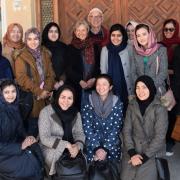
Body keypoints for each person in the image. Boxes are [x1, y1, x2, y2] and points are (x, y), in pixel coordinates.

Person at [121, 75, 168, 180]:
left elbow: (160, 137)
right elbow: (126, 130)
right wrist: (132, 153)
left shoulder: (160, 107)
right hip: (132, 150)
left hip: (151, 153)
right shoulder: (132, 105)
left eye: (144, 87)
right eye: (137, 87)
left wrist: (144, 157)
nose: (140, 91)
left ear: (150, 88)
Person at [14, 27, 55, 137]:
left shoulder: (45, 54)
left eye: (36, 38)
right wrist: (38, 91)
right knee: (32, 131)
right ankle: (32, 153)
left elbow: (51, 74)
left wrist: (45, 90)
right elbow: (21, 78)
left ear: (40, 39)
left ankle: (46, 152)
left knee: (47, 130)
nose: (33, 42)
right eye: (29, 39)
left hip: (45, 99)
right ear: (26, 40)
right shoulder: (21, 57)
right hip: (32, 100)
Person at [0, 79, 43, 180]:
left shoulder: (14, 107)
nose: (11, 95)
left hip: (15, 145)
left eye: (13, 91)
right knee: (27, 166)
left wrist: (27, 137)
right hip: (3, 154)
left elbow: (20, 128)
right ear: (1, 94)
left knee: (35, 149)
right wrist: (20, 146)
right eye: (6, 92)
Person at [38, 85, 85, 177]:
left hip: (72, 146)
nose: (66, 101)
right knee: (55, 158)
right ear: (58, 96)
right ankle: (54, 176)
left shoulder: (76, 113)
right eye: (63, 97)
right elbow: (44, 138)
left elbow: (79, 133)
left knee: (82, 159)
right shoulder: (46, 112)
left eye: (69, 98)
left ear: (73, 99)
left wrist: (78, 146)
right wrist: (65, 145)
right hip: (50, 146)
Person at [81, 74, 123, 162]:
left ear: (110, 87)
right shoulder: (88, 101)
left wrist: (105, 149)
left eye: (104, 84)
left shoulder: (117, 102)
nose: (101, 87)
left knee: (112, 170)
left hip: (111, 143)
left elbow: (116, 128)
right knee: (94, 171)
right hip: (92, 142)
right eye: (98, 84)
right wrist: (97, 148)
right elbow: (86, 126)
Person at [66, 20, 100, 110]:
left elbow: (98, 66)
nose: (80, 33)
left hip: (92, 86)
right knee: (77, 112)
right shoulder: (70, 48)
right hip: (76, 86)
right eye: (78, 30)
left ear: (87, 31)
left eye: (83, 30)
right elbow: (68, 69)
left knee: (92, 112)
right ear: (75, 32)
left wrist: (93, 79)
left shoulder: (95, 46)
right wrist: (80, 81)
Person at [100, 23, 133, 112]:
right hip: (111, 87)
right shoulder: (105, 49)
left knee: (127, 110)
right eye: (113, 35)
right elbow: (103, 71)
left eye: (119, 35)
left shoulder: (129, 48)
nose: (116, 38)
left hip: (126, 86)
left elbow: (133, 69)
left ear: (123, 36)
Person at [132, 23, 168, 96]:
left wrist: (149, 86)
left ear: (150, 34)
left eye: (144, 34)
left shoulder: (161, 50)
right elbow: (133, 72)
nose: (141, 38)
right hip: (140, 93)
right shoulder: (135, 51)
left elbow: (163, 73)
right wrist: (140, 87)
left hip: (157, 90)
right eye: (138, 35)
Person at [161, 19, 180, 156]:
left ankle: (169, 142)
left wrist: (169, 71)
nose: (168, 32)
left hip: (176, 85)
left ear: (176, 30)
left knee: (172, 114)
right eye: (166, 29)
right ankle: (162, 140)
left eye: (171, 29)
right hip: (162, 85)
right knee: (162, 114)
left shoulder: (178, 45)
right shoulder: (159, 45)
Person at [42, 22, 67, 89]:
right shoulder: (41, 48)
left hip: (62, 84)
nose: (53, 34)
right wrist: (52, 82)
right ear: (46, 33)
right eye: (51, 31)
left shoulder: (64, 47)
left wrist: (61, 82)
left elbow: (68, 66)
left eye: (56, 31)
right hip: (45, 84)